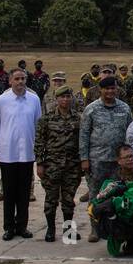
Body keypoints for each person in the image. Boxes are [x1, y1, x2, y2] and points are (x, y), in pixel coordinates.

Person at [0, 68, 42, 241]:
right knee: (9, 193)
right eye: (17, 79)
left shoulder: (34, 100)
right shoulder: (1, 101)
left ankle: (22, 226)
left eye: (23, 79)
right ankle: (9, 227)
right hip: (8, 154)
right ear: (10, 81)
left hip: (27, 154)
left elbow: (38, 126)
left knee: (24, 193)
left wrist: (39, 151)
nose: (20, 82)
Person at [80, 76, 133, 243]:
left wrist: (129, 156)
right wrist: (84, 159)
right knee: (96, 195)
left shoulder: (124, 108)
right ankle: (95, 229)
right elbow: (84, 134)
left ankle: (118, 228)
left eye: (113, 88)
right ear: (100, 90)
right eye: (107, 89)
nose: (110, 91)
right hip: (97, 160)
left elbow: (129, 133)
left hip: (118, 161)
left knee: (121, 194)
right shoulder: (91, 109)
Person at [35, 87, 85, 242]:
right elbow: (39, 142)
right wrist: (40, 163)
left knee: (69, 199)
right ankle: (50, 229)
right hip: (52, 165)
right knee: (51, 199)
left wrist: (82, 161)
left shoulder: (78, 118)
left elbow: (82, 141)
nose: (65, 100)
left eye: (68, 96)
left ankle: (68, 230)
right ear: (56, 99)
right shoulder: (47, 119)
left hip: (72, 165)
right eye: (62, 97)